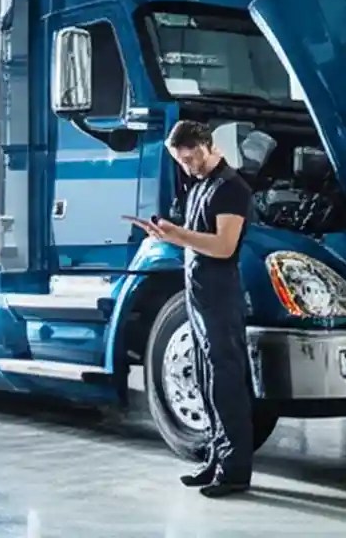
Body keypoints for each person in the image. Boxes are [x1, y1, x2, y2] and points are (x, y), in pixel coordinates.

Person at [126, 119, 255, 498]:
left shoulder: (232, 188)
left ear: (207, 146)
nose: (187, 167)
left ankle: (234, 471)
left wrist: (177, 234)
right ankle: (216, 460)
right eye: (180, 162)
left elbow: (224, 246)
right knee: (206, 380)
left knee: (226, 383)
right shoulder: (200, 186)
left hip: (220, 297)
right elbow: (197, 240)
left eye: (190, 158)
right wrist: (166, 234)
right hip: (198, 296)